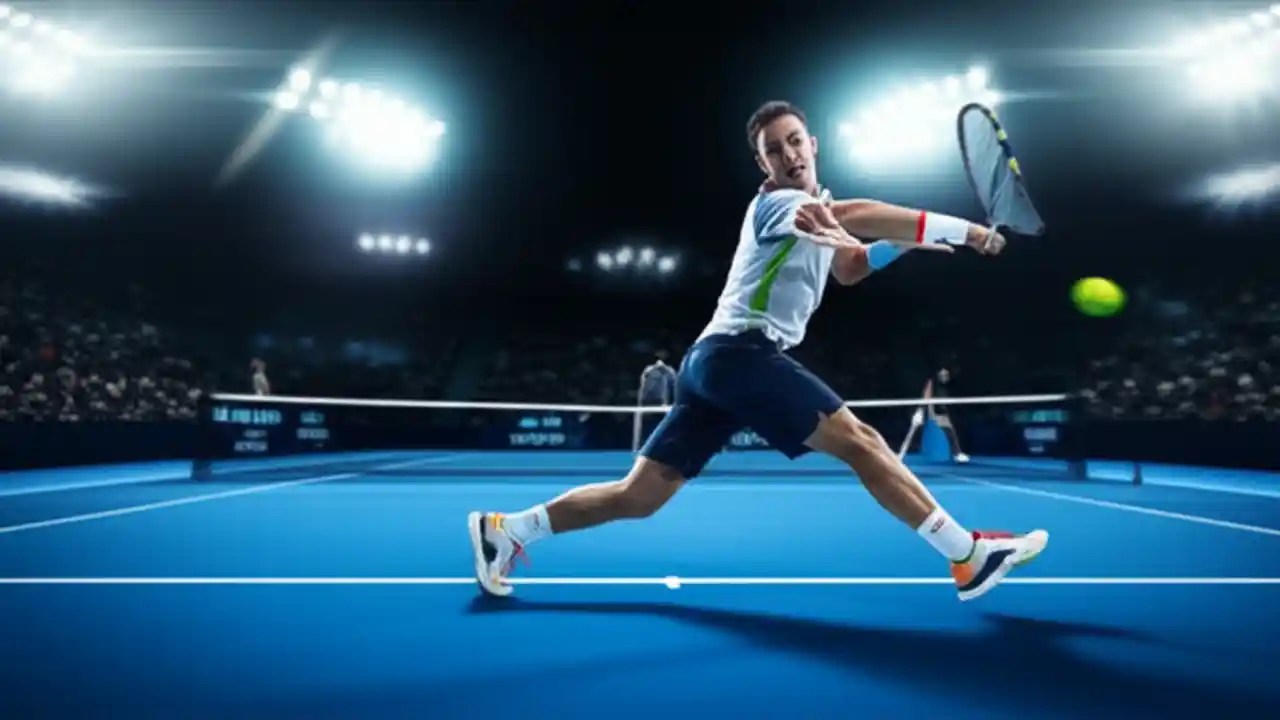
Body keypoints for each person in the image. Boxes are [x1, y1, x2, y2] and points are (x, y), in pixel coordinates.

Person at [468, 100, 1047, 602]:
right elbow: (843, 218)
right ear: (763, 164)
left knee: (638, 497)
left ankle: (508, 529)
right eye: (775, 150)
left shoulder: (814, 210)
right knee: (863, 443)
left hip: (708, 366)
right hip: (737, 355)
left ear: (812, 143)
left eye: (795, 141)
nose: (789, 154)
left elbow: (848, 266)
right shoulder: (775, 205)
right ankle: (965, 555)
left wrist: (902, 243)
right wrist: (957, 231)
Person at [898, 367, 969, 463]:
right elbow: (926, 396)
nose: (945, 377)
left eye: (946, 375)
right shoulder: (932, 382)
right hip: (927, 407)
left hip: (941, 410)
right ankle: (901, 453)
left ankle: (957, 453)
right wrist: (920, 410)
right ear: (938, 375)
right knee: (914, 429)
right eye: (943, 375)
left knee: (949, 430)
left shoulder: (950, 385)